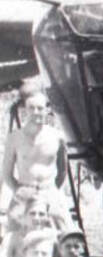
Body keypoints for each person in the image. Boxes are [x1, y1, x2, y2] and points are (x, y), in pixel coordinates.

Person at [2, 87, 71, 227]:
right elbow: (7, 174)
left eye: (40, 108)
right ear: (25, 110)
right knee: (13, 233)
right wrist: (20, 191)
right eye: (31, 108)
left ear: (46, 110)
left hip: (49, 191)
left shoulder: (57, 137)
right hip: (24, 191)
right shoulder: (14, 138)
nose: (36, 112)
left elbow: (62, 171)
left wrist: (50, 191)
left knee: (64, 231)